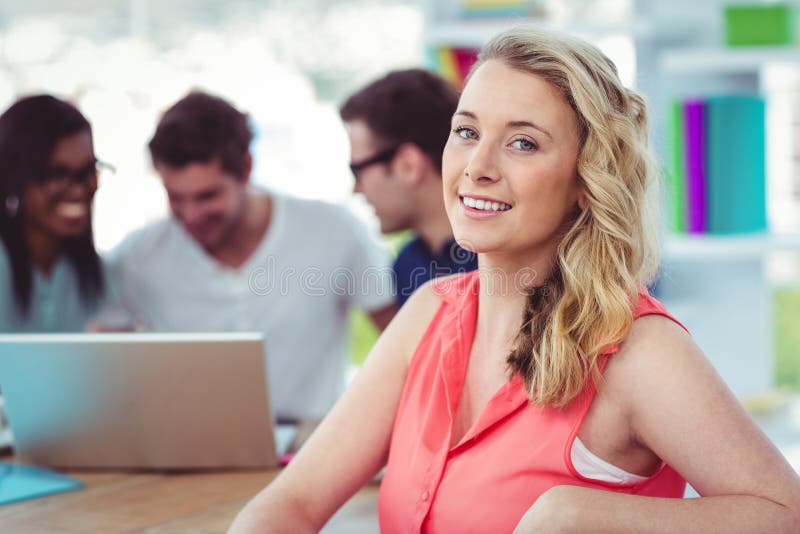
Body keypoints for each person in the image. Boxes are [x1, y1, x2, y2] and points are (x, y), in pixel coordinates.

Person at [229, 27, 800, 532]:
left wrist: (581, 515)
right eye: (466, 131)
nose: (478, 166)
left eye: (523, 142)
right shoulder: (429, 312)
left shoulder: (637, 351)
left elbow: (784, 514)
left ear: (586, 179)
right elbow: (293, 504)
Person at [107, 91, 396, 421]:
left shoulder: (334, 231)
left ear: (245, 168)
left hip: (312, 446)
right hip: (191, 450)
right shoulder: (137, 257)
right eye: (176, 198)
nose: (191, 215)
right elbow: (98, 365)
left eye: (207, 196)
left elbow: (403, 346)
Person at [341, 69, 477, 307]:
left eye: (358, 171)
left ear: (408, 165)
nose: (356, 189)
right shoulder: (408, 264)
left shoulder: (498, 260)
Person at [0, 95, 109, 332]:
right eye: (57, 174)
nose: (79, 189)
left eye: (87, 171)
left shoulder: (102, 276)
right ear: (12, 178)